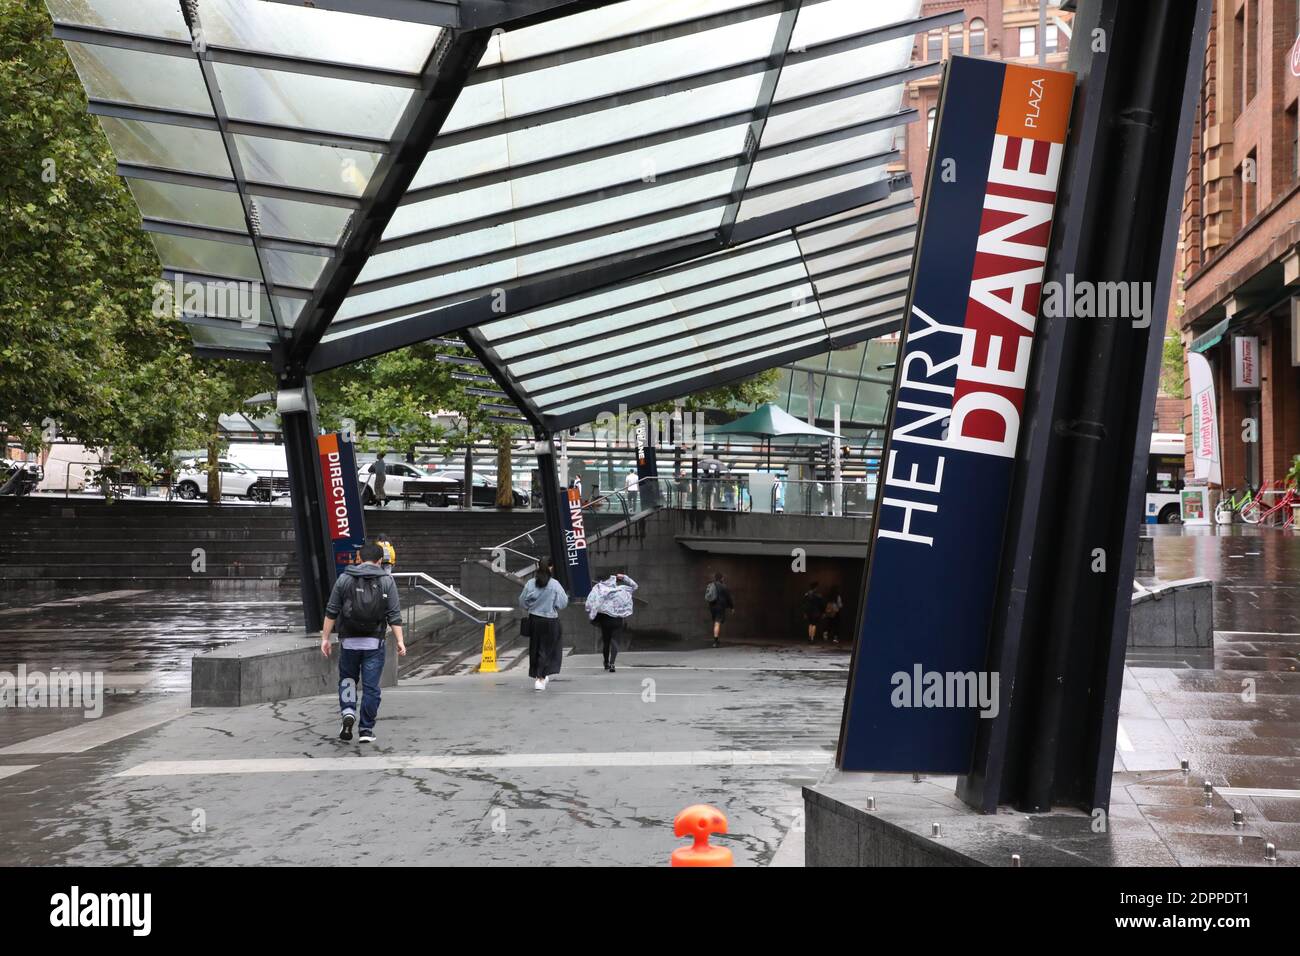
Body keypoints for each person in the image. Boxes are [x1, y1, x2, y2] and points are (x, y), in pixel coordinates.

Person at [320, 542, 406, 744]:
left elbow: (331, 610)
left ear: (358, 558)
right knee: (371, 688)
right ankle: (366, 729)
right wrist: (400, 641)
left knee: (348, 679)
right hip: (374, 643)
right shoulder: (387, 581)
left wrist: (325, 638)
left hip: (349, 641)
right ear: (379, 561)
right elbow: (394, 615)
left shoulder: (345, 578)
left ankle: (348, 711)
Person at [520, 557, 568, 691]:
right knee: (548, 650)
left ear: (538, 566)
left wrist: (532, 606)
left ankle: (539, 676)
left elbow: (522, 602)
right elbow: (563, 603)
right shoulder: (555, 584)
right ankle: (541, 678)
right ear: (551, 567)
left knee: (536, 649)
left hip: (534, 620)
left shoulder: (530, 583)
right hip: (550, 620)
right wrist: (553, 605)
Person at [587, 569, 638, 672]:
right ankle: (612, 664)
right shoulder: (622, 590)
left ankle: (606, 662)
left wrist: (591, 611)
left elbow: (590, 601)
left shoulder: (600, 590)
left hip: (605, 619)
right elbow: (635, 586)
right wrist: (624, 577)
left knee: (606, 642)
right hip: (617, 620)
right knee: (615, 641)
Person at [705, 572, 733, 648]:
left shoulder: (711, 585)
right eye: (723, 577)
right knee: (717, 623)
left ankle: (716, 639)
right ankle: (715, 642)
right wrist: (732, 607)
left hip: (712, 607)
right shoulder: (723, 586)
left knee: (715, 623)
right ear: (721, 578)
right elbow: (728, 598)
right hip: (720, 607)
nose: (723, 579)